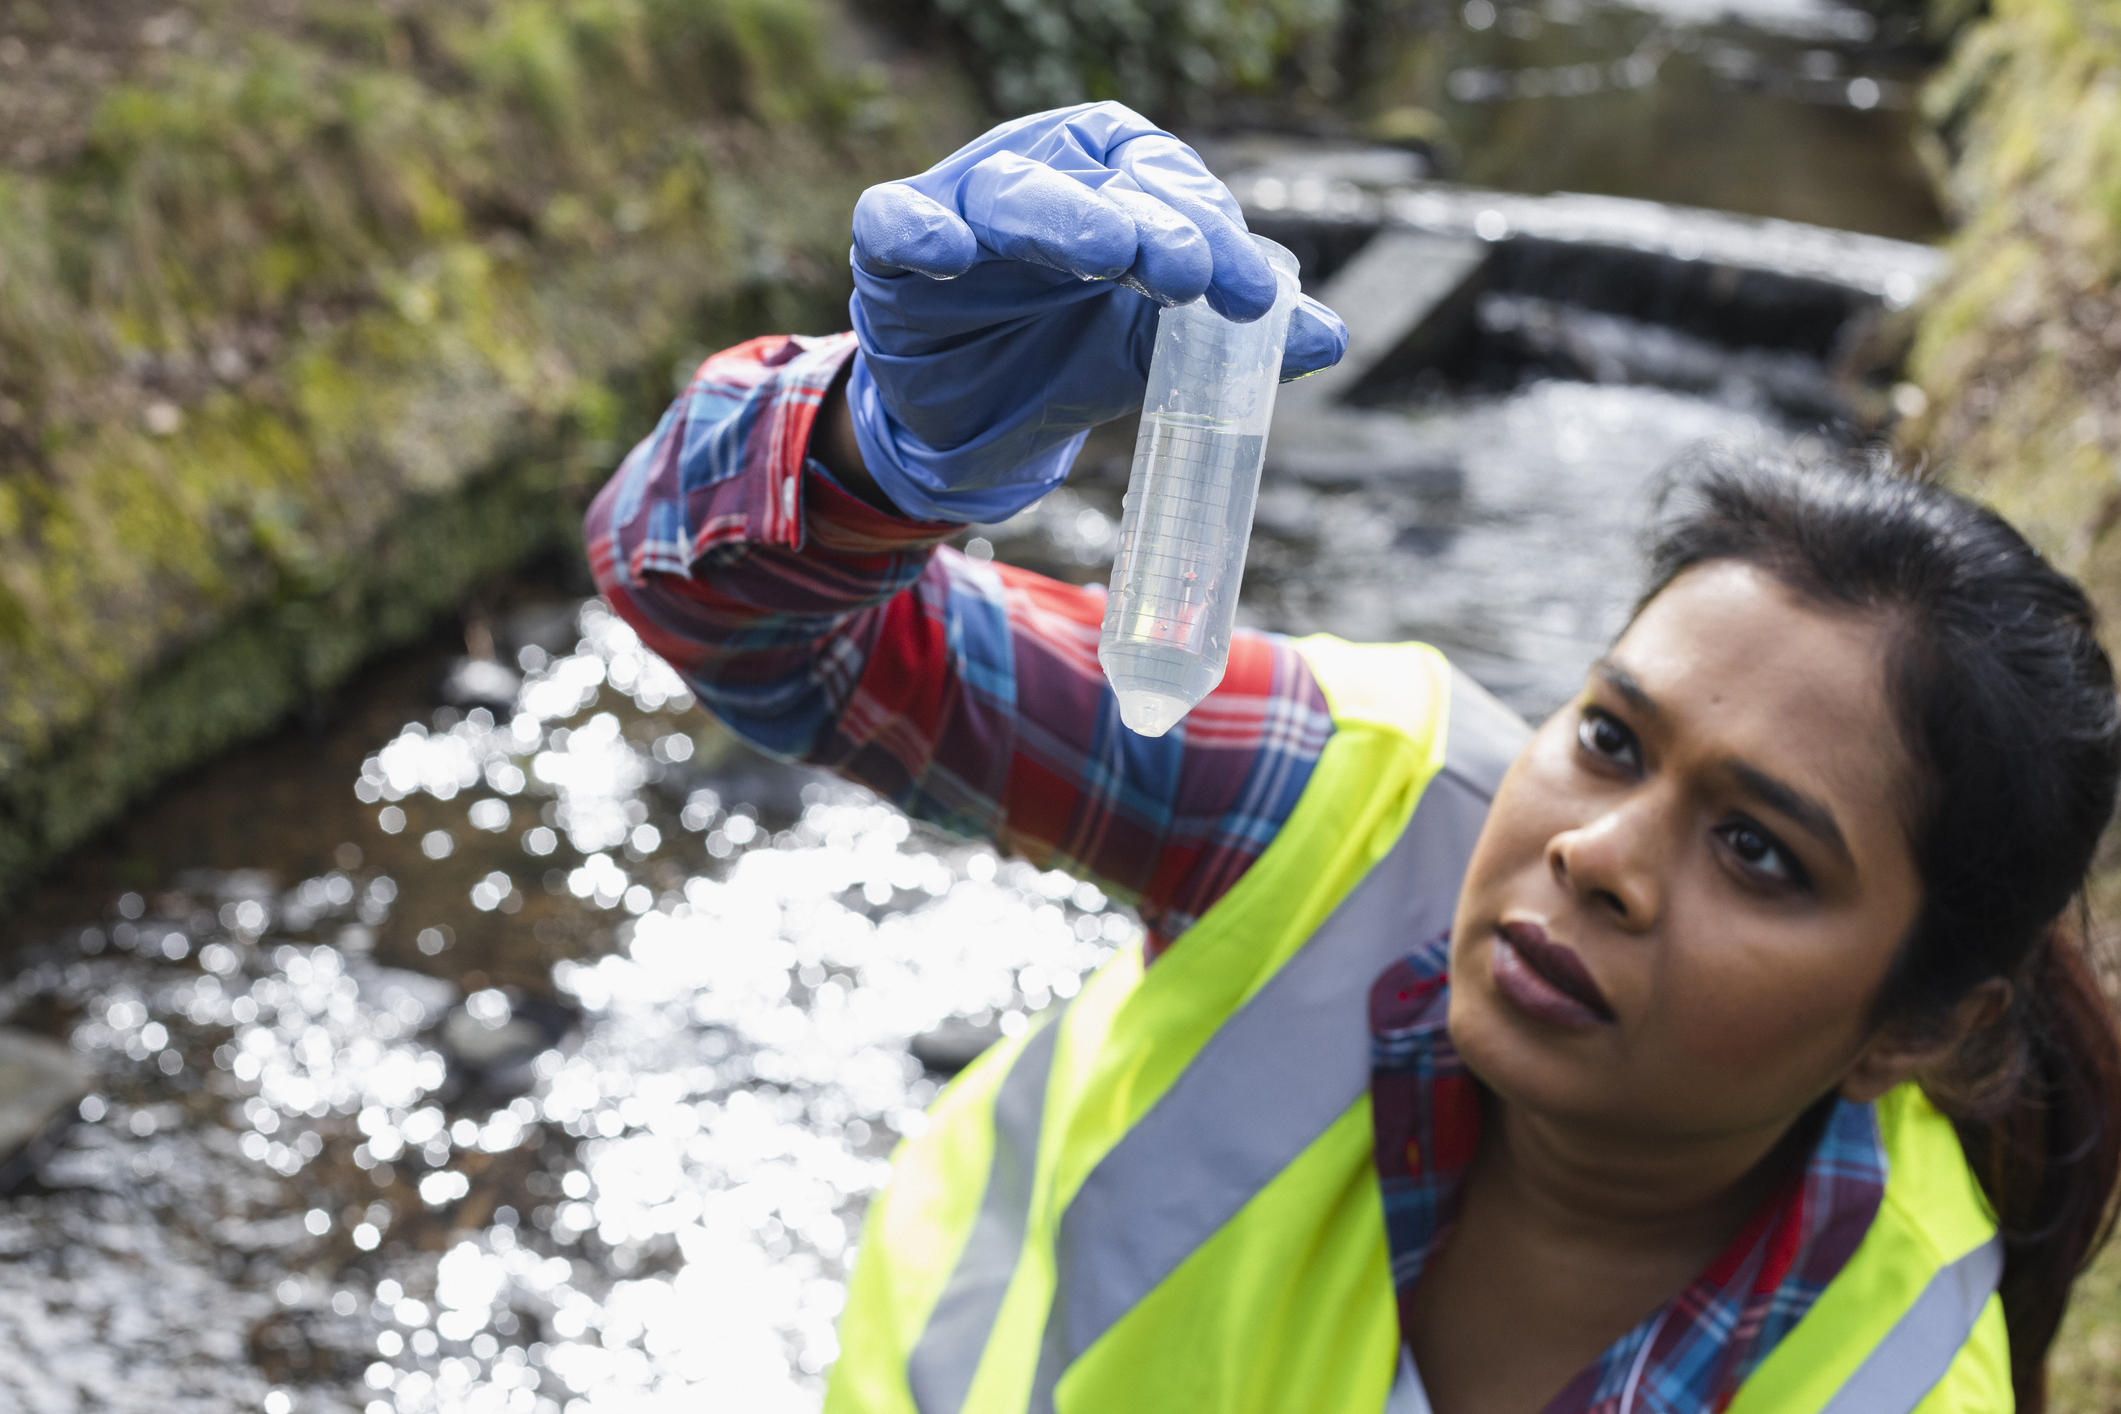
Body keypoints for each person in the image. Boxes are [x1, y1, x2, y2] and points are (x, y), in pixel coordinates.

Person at [585, 102, 2121, 1414]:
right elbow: (770, 633)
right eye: (1606, 737)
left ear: (1911, 1028)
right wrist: (876, 447)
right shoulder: (1354, 802)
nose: (1596, 851)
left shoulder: (1896, 1378)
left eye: (1759, 851)